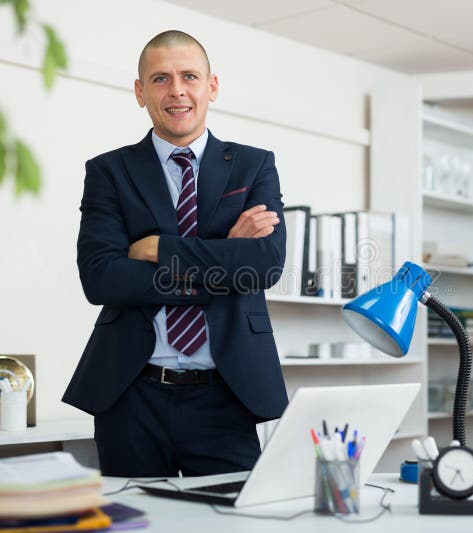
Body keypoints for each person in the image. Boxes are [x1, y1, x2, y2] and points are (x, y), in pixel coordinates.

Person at [62, 30, 288, 477]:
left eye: (189, 76)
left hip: (227, 394)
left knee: (230, 522)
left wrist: (159, 249)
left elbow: (264, 266)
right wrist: (224, 259)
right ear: (140, 92)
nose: (177, 90)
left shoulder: (253, 165)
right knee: (136, 523)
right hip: (130, 393)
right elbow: (101, 278)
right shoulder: (109, 171)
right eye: (161, 79)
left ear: (212, 87)